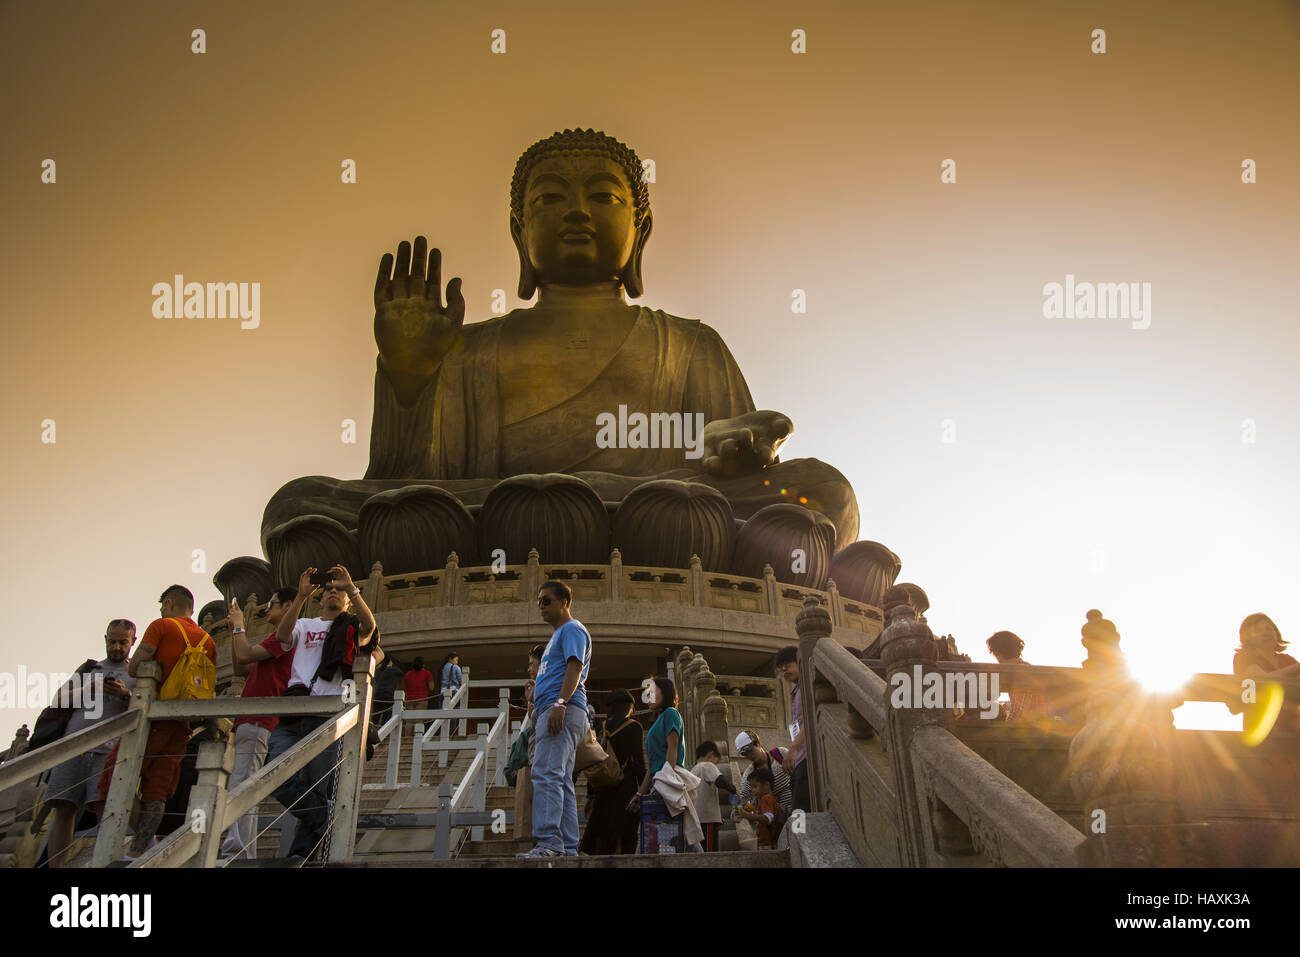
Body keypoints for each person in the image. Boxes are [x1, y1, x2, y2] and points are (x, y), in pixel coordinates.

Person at [97, 586, 217, 860]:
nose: (161, 610)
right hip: (180, 724)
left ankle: (120, 850)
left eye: (163, 605)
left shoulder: (162, 626)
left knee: (111, 779)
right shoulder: (208, 641)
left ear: (170, 603)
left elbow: (135, 666)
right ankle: (141, 849)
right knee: (157, 791)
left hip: (152, 720)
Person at [265, 565, 377, 860]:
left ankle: (300, 856)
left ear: (348, 599)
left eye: (339, 590)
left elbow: (370, 628)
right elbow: (282, 636)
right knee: (273, 771)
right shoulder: (305, 625)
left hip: (327, 715)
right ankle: (325, 817)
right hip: (294, 710)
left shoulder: (350, 626)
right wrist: (300, 597)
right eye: (328, 588)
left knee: (318, 785)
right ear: (320, 596)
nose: (333, 592)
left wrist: (352, 586)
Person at [39, 620, 136, 867]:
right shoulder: (89, 669)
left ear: (132, 641)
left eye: (122, 642)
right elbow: (57, 700)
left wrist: (125, 694)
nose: (116, 647)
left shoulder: (136, 673)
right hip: (73, 747)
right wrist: (91, 686)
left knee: (106, 810)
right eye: (112, 641)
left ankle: (104, 862)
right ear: (105, 639)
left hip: (108, 751)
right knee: (64, 808)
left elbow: (142, 709)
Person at [218, 586, 297, 860]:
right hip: (249, 720)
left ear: (288, 607)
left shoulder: (286, 637)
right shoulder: (273, 639)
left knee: (242, 785)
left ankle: (236, 851)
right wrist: (234, 630)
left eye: (272, 604)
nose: (266, 609)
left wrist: (240, 625)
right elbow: (241, 667)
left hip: (259, 719)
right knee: (242, 783)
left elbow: (246, 655)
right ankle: (241, 849)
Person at [519, 582, 591, 859]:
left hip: (562, 709)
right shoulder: (555, 637)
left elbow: (575, 666)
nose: (541, 606)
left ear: (564, 602)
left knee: (546, 773)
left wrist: (559, 704)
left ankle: (549, 842)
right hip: (553, 709)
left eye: (547, 601)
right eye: (538, 601)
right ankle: (568, 847)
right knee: (560, 779)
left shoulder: (572, 629)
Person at [580, 688, 645, 855]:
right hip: (626, 788)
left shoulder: (603, 729)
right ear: (628, 707)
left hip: (604, 789)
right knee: (626, 836)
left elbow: (595, 761)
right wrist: (644, 789)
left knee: (603, 835)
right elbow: (638, 762)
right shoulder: (634, 727)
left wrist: (590, 794)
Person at [628, 677, 686, 850]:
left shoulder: (671, 714)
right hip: (657, 783)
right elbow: (652, 766)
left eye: (653, 692)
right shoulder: (657, 721)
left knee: (673, 835)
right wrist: (639, 794)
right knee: (661, 836)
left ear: (665, 692)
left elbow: (673, 748)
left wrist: (666, 781)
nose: (649, 696)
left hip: (667, 784)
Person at [1232, 613, 1300, 737]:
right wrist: (1297, 668)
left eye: (1269, 629)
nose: (1265, 633)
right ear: (1247, 637)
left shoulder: (1287, 660)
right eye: (1257, 631)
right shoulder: (1243, 658)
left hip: (1293, 725)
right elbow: (1263, 679)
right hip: (1262, 727)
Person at [511, 644, 545, 839]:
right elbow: (534, 720)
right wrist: (531, 701)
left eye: (532, 664)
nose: (529, 668)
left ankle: (552, 841)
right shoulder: (538, 687)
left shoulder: (550, 684)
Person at [986, 631, 1052, 727]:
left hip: (1030, 733)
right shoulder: (1028, 669)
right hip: (1039, 730)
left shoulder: (1019, 674)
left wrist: (1003, 732)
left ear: (997, 654)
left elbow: (1019, 715)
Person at [774, 645, 809, 813]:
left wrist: (793, 748)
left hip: (807, 758)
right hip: (799, 760)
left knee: (801, 812)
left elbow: (810, 721)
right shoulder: (796, 690)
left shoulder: (808, 686)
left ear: (800, 661)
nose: (783, 670)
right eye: (781, 668)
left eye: (787, 665)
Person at [734, 730, 793, 823]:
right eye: (745, 754)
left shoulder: (781, 754)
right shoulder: (749, 776)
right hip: (775, 822)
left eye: (750, 751)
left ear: (758, 743)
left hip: (797, 811)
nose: (749, 755)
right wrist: (738, 811)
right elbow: (745, 801)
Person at [690, 740, 735, 852]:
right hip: (707, 819)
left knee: (701, 851)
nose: (715, 766)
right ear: (711, 755)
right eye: (716, 762)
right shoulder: (707, 765)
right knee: (710, 851)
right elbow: (719, 780)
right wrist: (732, 789)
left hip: (696, 819)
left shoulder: (693, 770)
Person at [735, 766, 781, 848]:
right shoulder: (757, 800)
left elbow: (768, 818)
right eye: (751, 787)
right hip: (763, 840)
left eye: (755, 786)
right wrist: (738, 812)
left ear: (766, 785)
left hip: (767, 843)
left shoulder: (766, 799)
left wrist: (746, 815)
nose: (753, 790)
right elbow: (747, 809)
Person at [439, 652, 464, 734]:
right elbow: (461, 680)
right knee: (452, 712)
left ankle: (441, 732)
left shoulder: (443, 667)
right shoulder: (456, 667)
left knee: (443, 712)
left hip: (443, 691)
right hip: (453, 690)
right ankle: (452, 732)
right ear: (450, 659)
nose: (457, 662)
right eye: (456, 660)